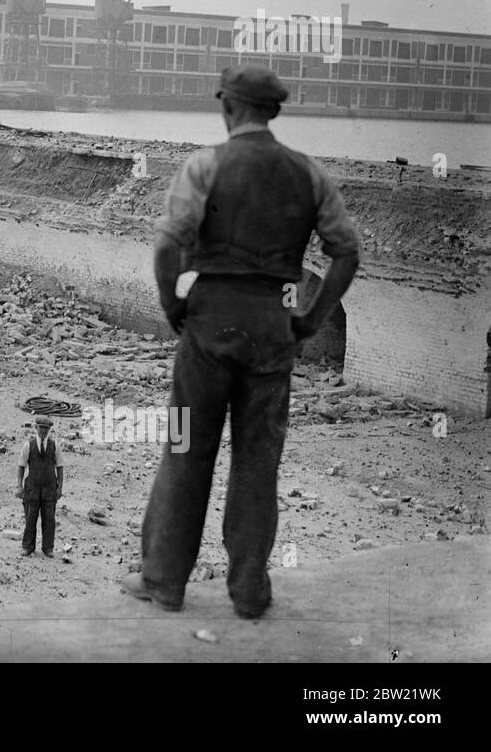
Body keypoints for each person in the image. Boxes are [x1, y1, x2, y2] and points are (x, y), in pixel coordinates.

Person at [123, 64, 360, 619]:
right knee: (258, 461)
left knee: (184, 449)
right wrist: (310, 318)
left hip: (209, 322)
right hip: (274, 324)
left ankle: (164, 582)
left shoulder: (205, 166)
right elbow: (345, 252)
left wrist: (172, 304)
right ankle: (250, 591)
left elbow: (166, 248)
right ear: (273, 111)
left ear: (228, 107)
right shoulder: (309, 174)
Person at [15, 415, 64, 557]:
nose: (43, 430)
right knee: (30, 518)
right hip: (32, 488)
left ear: (49, 430)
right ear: (36, 428)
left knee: (49, 519)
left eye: (46, 428)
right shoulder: (28, 445)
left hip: (49, 488)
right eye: (41, 427)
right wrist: (19, 486)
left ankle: (48, 548)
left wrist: (60, 488)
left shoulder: (55, 446)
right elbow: (21, 466)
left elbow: (60, 467)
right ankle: (28, 547)